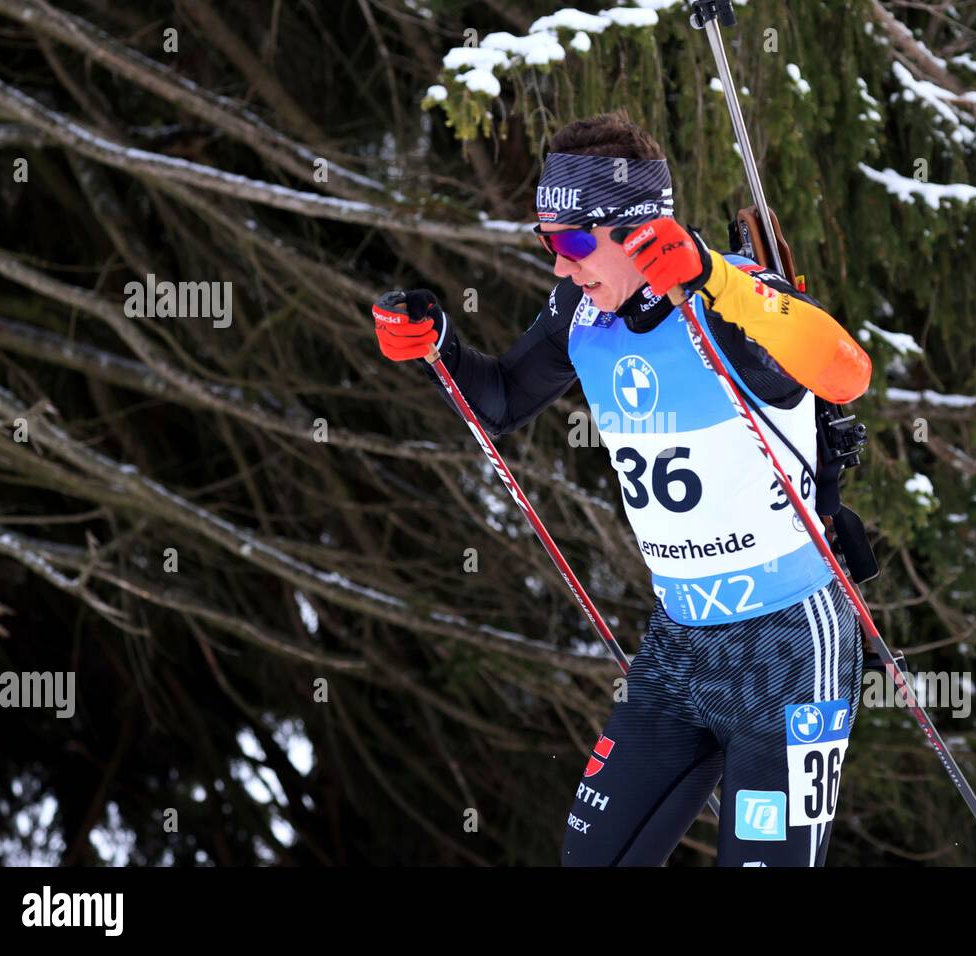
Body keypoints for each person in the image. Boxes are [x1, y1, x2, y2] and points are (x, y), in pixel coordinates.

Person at [371, 109, 873, 866]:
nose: (561, 266)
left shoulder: (728, 300)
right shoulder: (582, 312)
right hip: (678, 648)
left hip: (789, 648)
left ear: (639, 230)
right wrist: (439, 346)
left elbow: (846, 371)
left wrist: (715, 277)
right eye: (548, 243)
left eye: (574, 243)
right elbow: (502, 400)